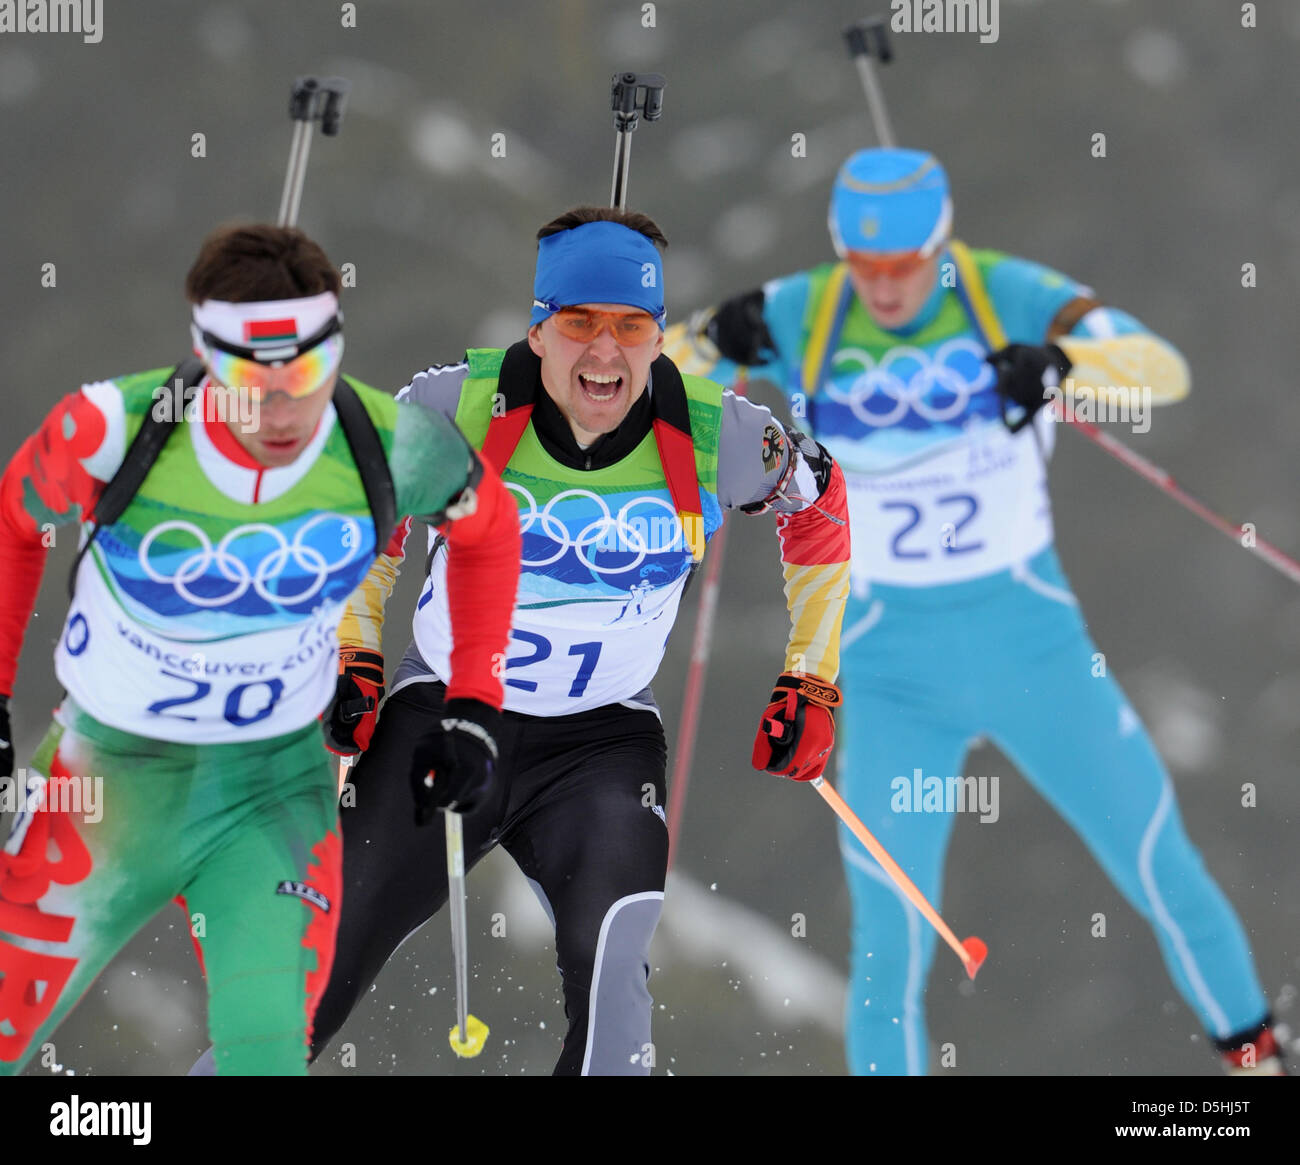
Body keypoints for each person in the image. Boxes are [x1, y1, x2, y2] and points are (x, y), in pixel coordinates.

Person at [663, 147, 1282, 1076]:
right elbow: (645, 374)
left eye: (904, 266)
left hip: (1037, 652)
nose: (884, 289)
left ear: (939, 245)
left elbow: (1161, 371)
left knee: (1161, 865)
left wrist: (1063, 362)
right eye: (863, 266)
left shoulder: (1003, 293)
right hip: (889, 671)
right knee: (889, 939)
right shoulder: (808, 309)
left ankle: (1256, 1057)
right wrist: (714, 336)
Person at [284, 205, 852, 1076]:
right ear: (538, 331)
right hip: (447, 712)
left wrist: (810, 681)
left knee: (615, 979)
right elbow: (369, 525)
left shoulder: (719, 435)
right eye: (579, 324)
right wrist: (355, 652)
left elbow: (819, 506)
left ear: (659, 337)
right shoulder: (457, 405)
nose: (604, 352)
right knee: (311, 976)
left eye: (632, 327)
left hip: (602, 739)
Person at [0, 223, 519, 1076]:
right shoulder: (111, 428)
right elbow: (17, 523)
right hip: (104, 783)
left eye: (305, 375)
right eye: (248, 381)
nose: (278, 409)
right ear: (207, 358)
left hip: (270, 790)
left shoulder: (388, 444)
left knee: (267, 1046)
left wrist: (473, 707)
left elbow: (490, 530)